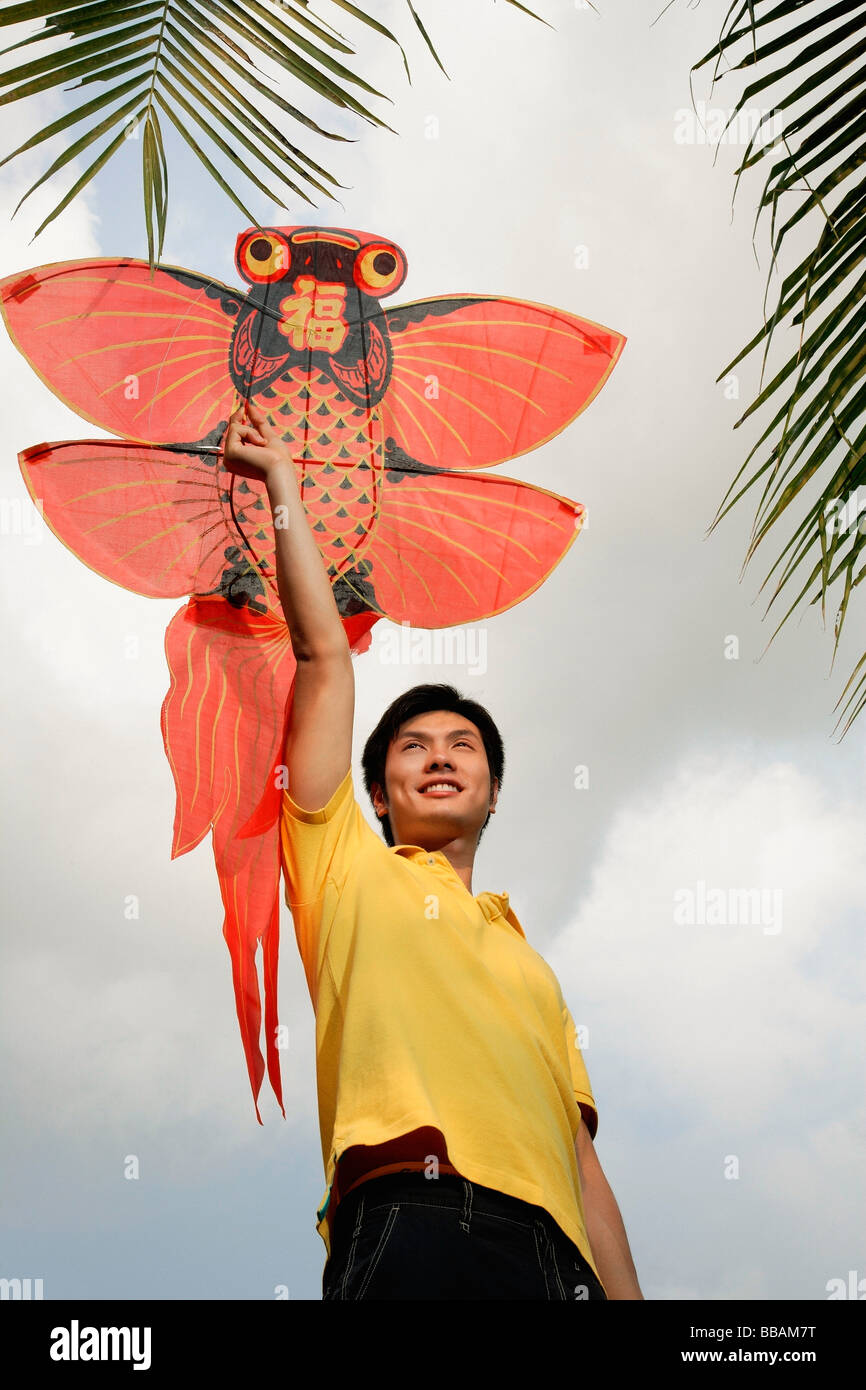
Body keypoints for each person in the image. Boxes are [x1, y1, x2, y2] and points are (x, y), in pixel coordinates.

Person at [223, 402, 644, 1301]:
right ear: (376, 794)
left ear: (493, 792)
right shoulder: (343, 865)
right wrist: (283, 489)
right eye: (413, 746)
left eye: (464, 746)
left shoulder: (531, 965)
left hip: (553, 1263)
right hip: (411, 1219)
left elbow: (582, 1165)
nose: (442, 755)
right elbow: (323, 656)